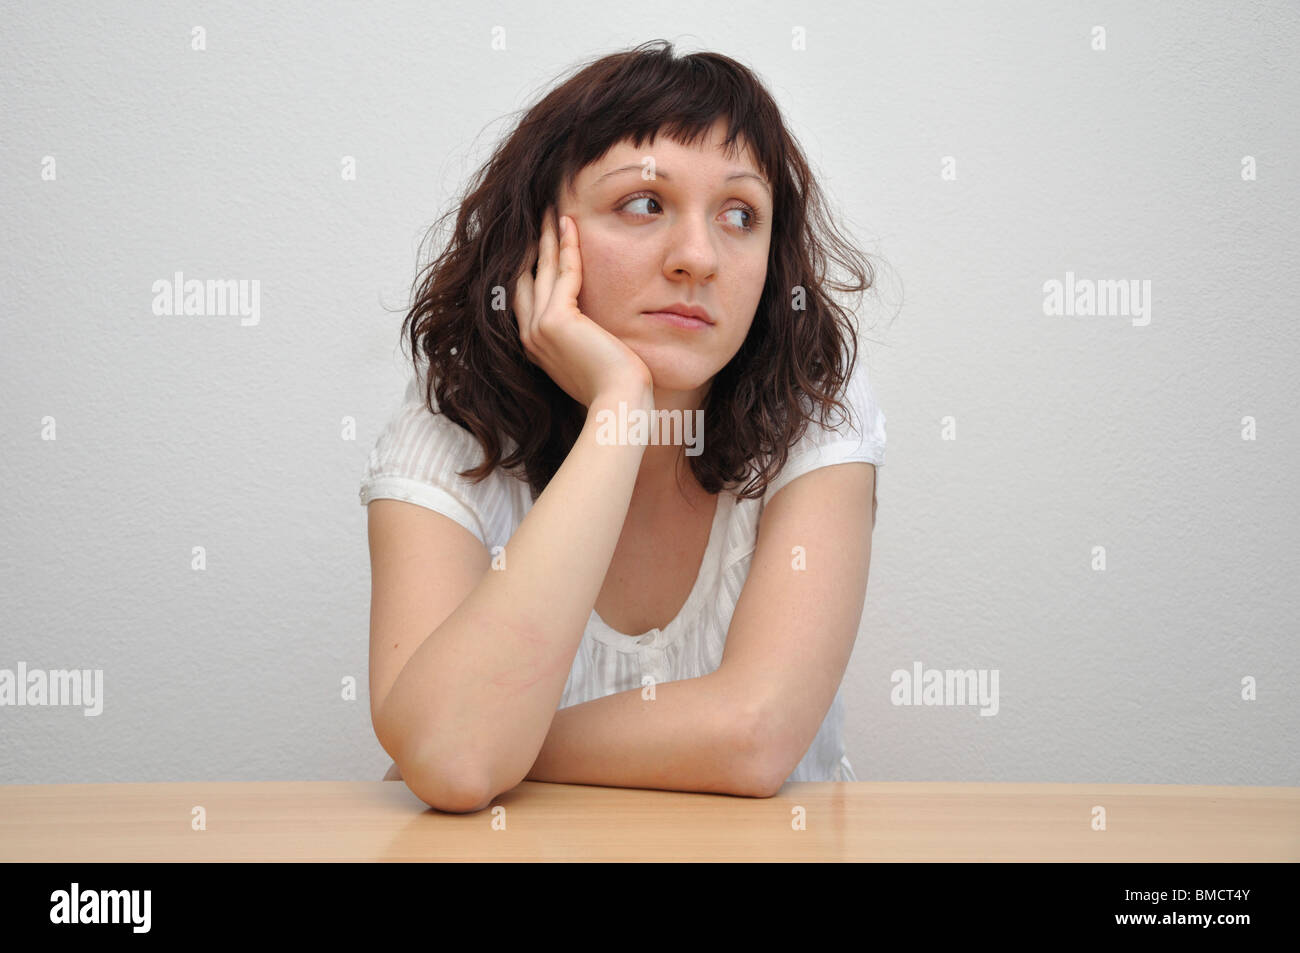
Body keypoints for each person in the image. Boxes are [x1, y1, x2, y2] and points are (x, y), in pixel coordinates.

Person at [359, 40, 887, 813]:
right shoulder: (451, 425)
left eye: (740, 215)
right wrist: (618, 409)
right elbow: (451, 756)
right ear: (539, 238)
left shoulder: (814, 405)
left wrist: (490, 740)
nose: (698, 257)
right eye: (644, 204)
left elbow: (754, 734)